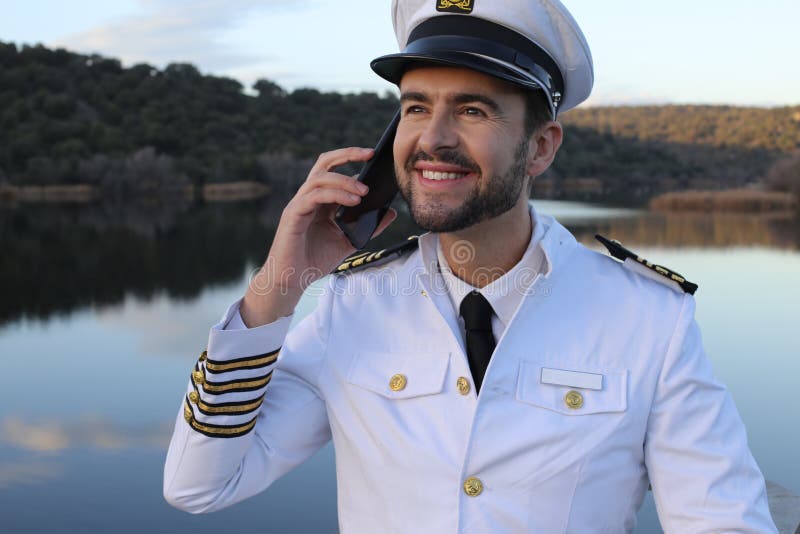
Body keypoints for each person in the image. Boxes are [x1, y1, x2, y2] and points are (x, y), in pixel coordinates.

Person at [164, 0, 777, 531]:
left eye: (473, 110)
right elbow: (200, 486)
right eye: (414, 107)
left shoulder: (648, 318)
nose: (434, 138)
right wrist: (279, 284)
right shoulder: (354, 305)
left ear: (540, 147)